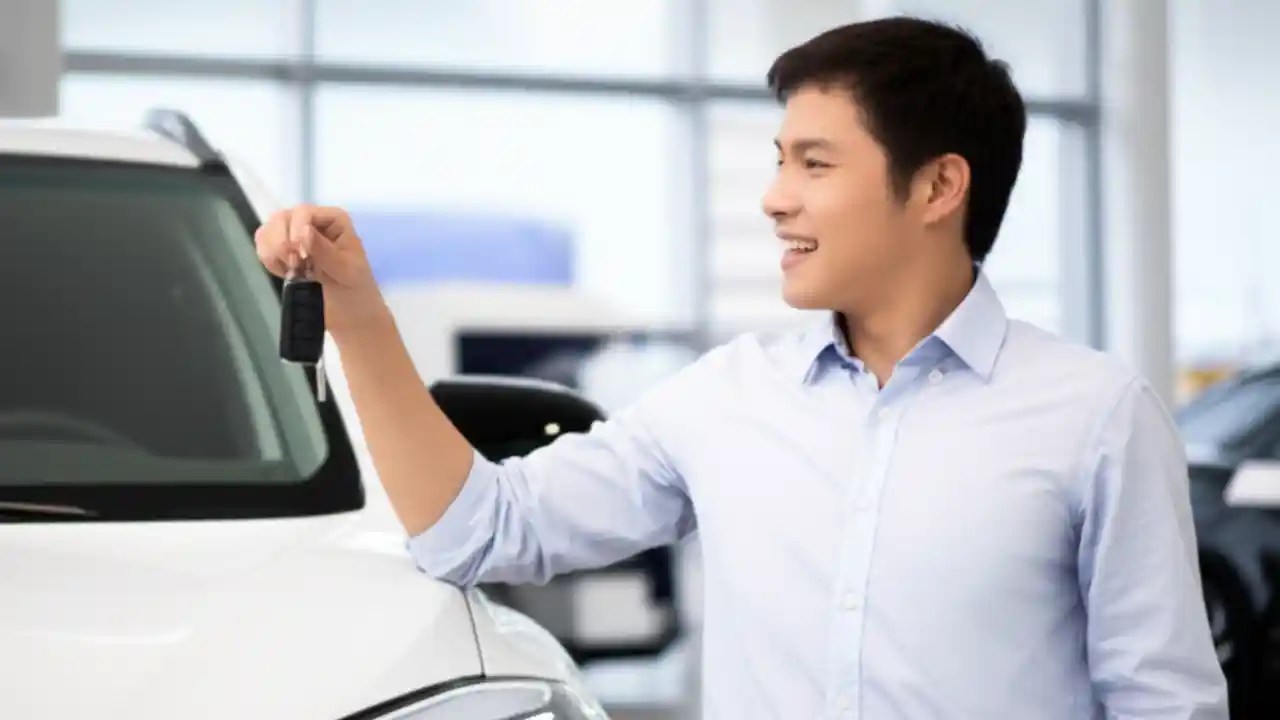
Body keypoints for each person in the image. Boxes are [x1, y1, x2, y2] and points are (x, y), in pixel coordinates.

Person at [255, 16, 1228, 720]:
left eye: (812, 164)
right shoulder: (723, 398)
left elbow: (1165, 705)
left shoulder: (1094, 415)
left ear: (937, 185)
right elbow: (476, 532)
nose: (771, 198)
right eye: (776, 161)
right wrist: (358, 313)